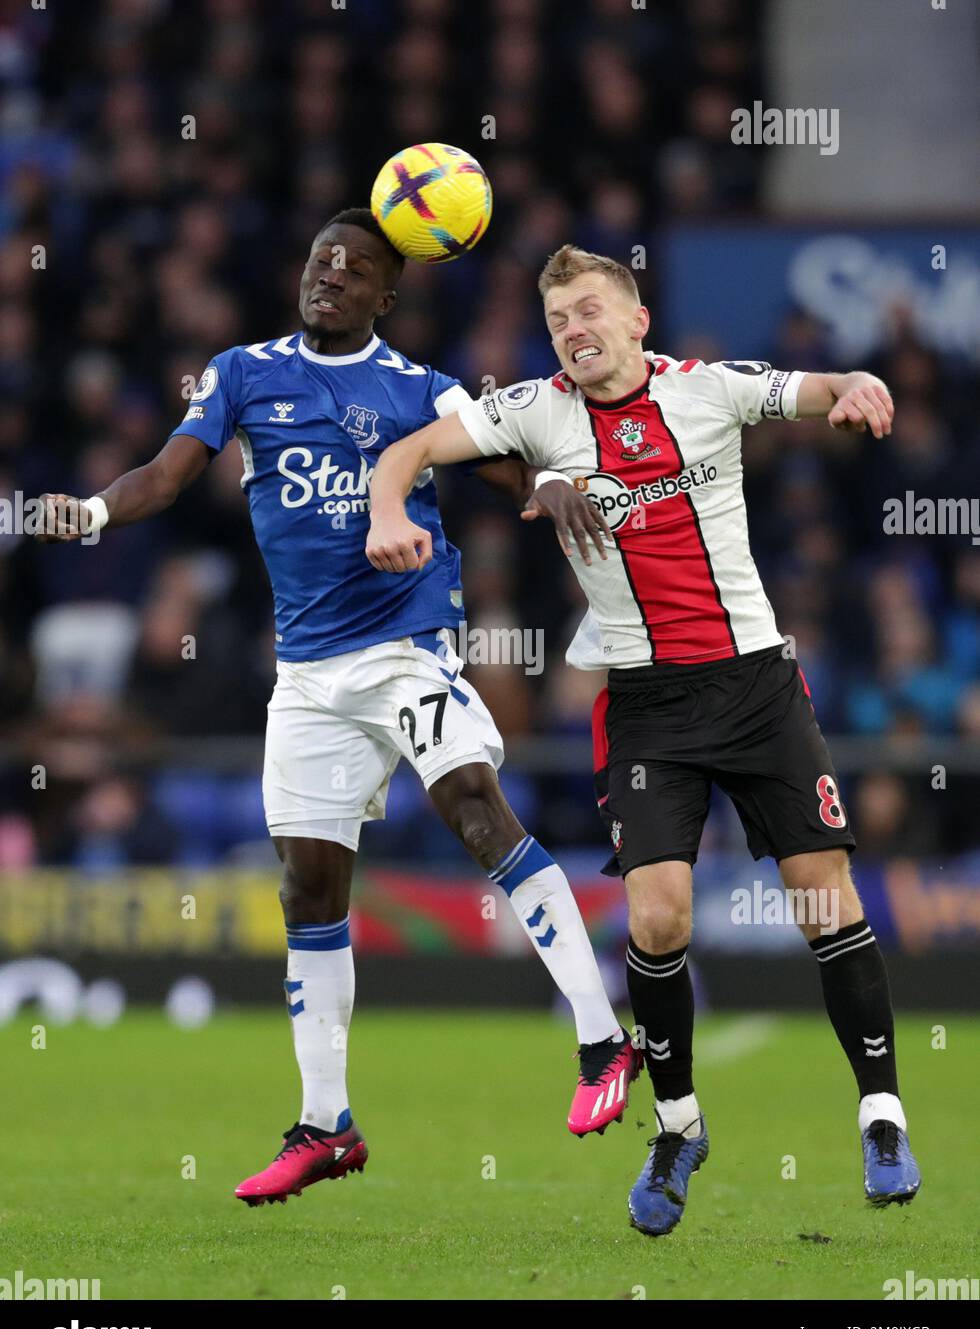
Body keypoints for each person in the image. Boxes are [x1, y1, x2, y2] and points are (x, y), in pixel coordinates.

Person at [37, 214, 640, 1207]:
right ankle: (327, 1125)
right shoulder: (239, 371)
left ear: (385, 298)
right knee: (309, 893)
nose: (332, 272)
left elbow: (501, 465)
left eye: (357, 267)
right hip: (308, 676)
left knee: (479, 814)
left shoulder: (419, 390)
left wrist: (557, 487)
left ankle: (597, 1039)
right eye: (321, 257)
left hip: (406, 651)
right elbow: (166, 473)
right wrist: (94, 511)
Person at [364, 243, 921, 1237]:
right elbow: (409, 446)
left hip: (756, 686)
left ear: (635, 322)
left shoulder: (709, 392)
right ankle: (676, 1126)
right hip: (645, 705)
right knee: (657, 918)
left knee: (820, 898)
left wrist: (860, 386)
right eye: (555, 322)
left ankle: (880, 1116)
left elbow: (821, 383)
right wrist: (388, 510)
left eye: (587, 312)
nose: (571, 332)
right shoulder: (534, 411)